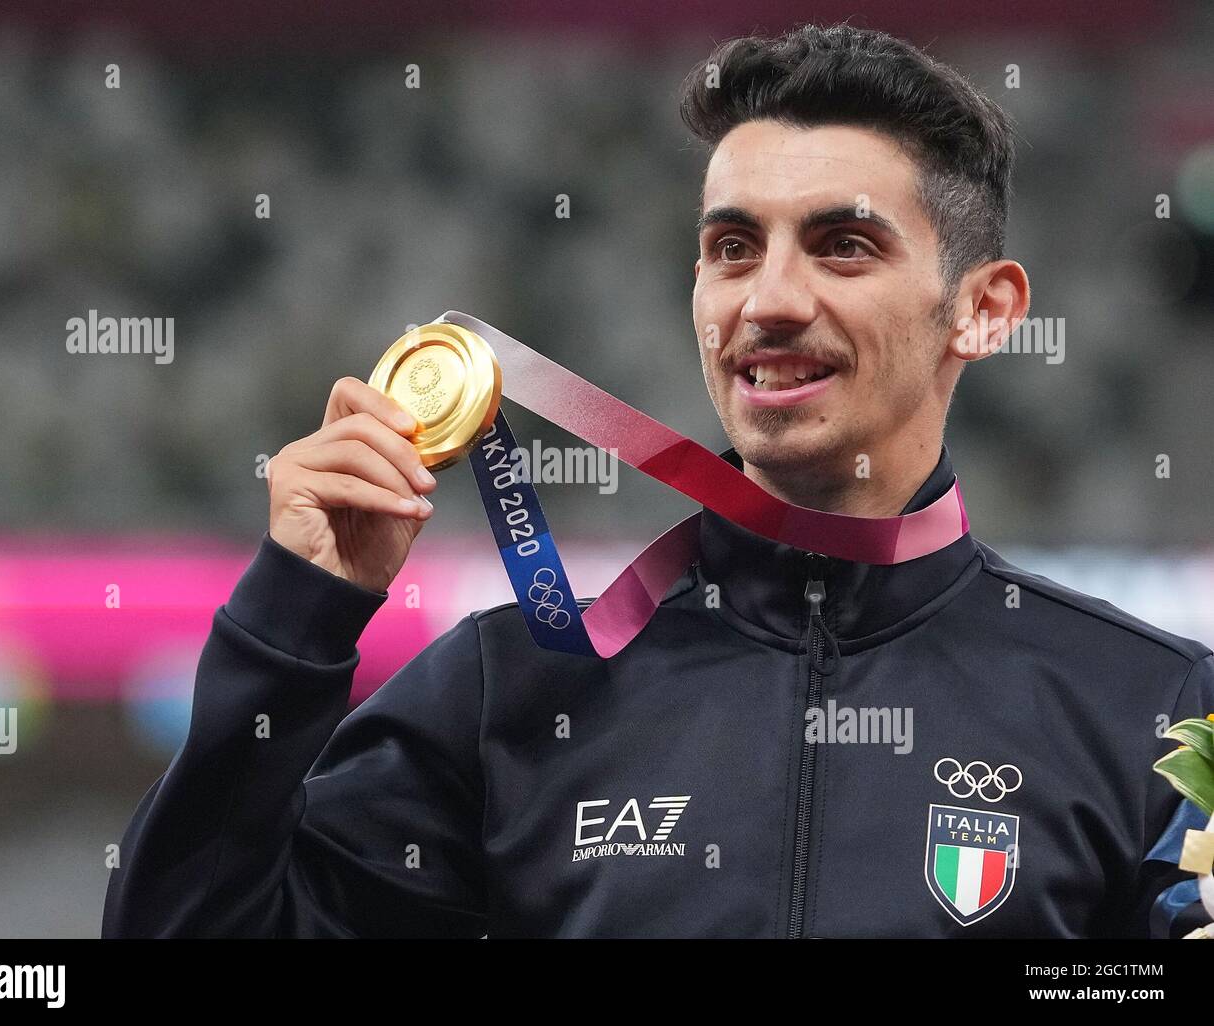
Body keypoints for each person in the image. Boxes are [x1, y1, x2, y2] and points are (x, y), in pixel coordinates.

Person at [102, 24, 1214, 939]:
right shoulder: (506, 694)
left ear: (984, 307)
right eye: (733, 247)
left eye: (841, 246)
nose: (766, 300)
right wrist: (295, 621)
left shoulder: (1156, 711)